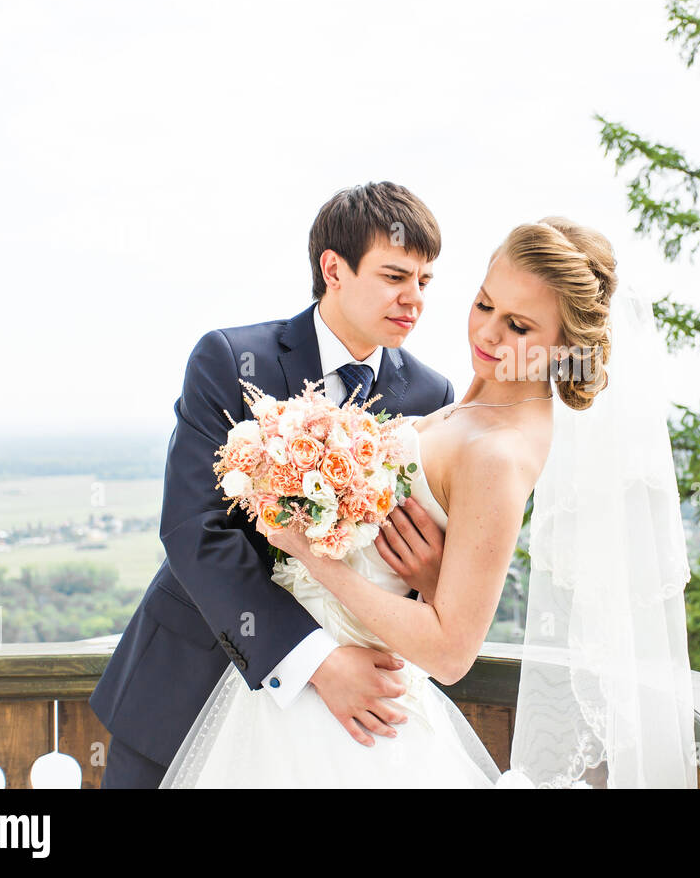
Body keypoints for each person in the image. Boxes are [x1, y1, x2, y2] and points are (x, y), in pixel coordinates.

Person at [161, 217, 698, 789]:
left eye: (517, 325)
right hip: (294, 692)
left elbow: (451, 653)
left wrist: (316, 558)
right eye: (484, 304)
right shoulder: (462, 403)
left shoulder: (500, 452)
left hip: (357, 711)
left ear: (565, 347)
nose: (487, 335)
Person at [90, 181, 456, 788]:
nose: (413, 299)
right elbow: (194, 529)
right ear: (333, 269)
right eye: (396, 276)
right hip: (191, 687)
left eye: (425, 281)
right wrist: (316, 662)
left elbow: (418, 549)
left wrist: (429, 580)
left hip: (355, 715)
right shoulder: (231, 359)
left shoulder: (431, 395)